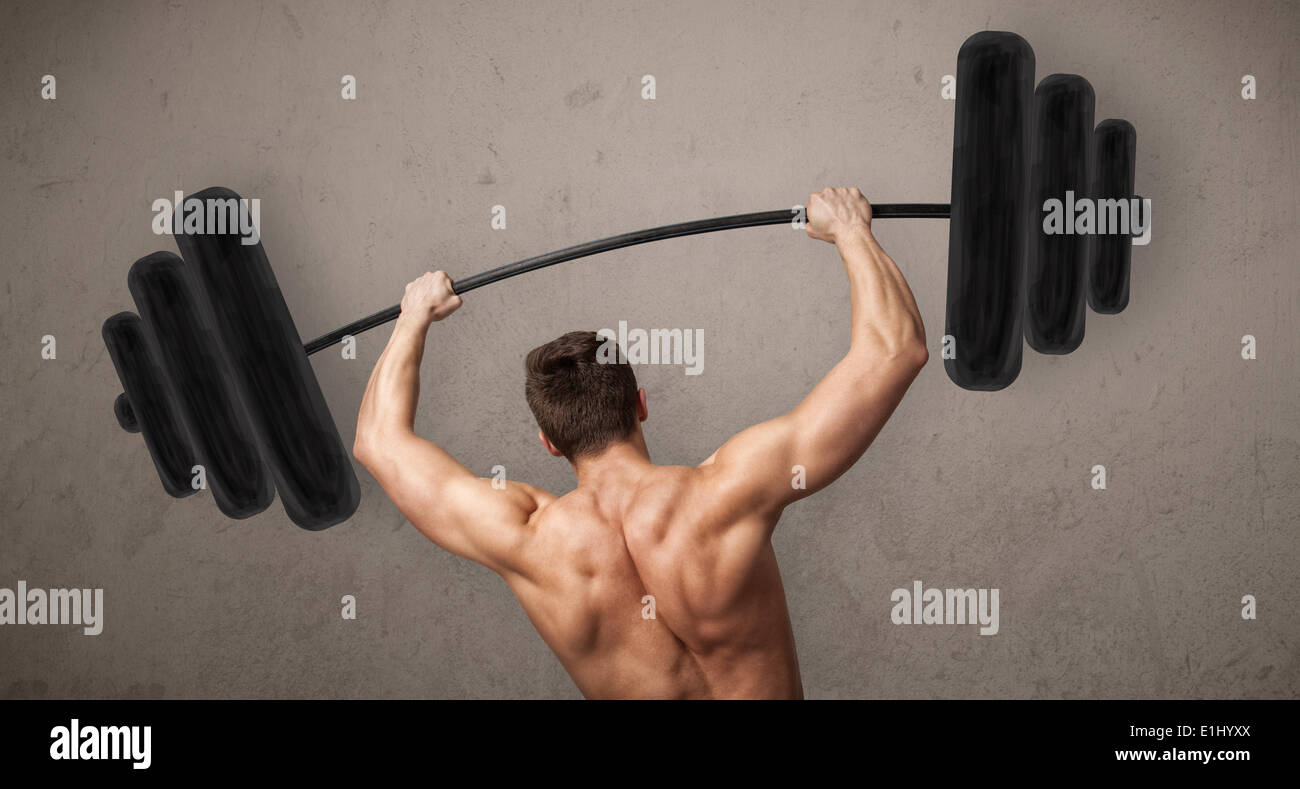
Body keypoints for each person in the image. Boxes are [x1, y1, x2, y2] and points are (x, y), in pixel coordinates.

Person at [353, 187, 928, 698]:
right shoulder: (729, 490)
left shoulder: (527, 540)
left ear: (549, 442)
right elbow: (894, 352)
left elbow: (379, 442)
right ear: (641, 404)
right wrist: (850, 229)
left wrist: (413, 317)